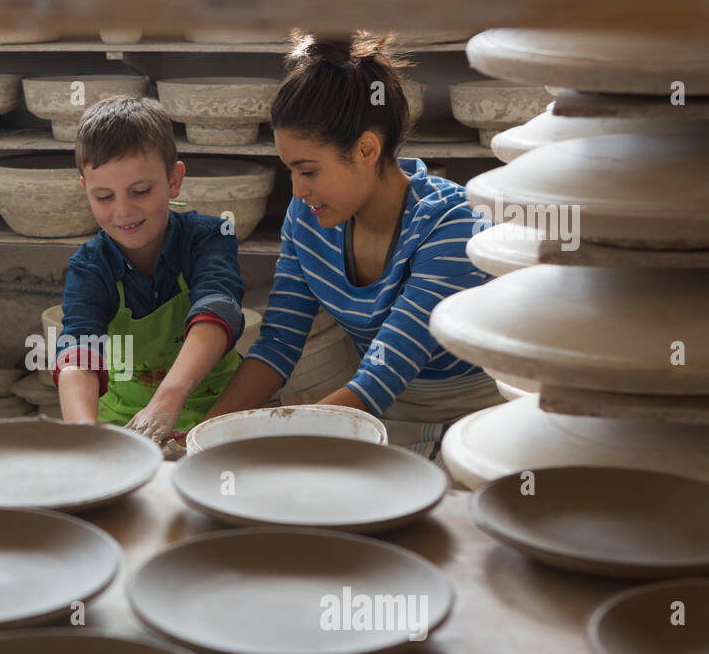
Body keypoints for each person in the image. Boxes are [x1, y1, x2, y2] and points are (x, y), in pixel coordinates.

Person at [205, 33, 504, 462]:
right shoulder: (307, 218)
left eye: (308, 171)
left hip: (469, 417)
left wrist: (267, 454)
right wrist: (201, 434)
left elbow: (379, 378)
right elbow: (277, 348)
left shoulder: (452, 227)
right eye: (290, 171)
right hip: (376, 410)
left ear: (366, 149)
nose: (297, 189)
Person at [53, 95, 246, 442]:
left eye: (140, 191)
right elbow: (78, 352)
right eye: (104, 197)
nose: (123, 211)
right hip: (125, 424)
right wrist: (85, 438)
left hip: (215, 415)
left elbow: (218, 308)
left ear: (174, 180)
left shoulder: (209, 238)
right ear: (85, 190)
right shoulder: (91, 266)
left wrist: (168, 398)